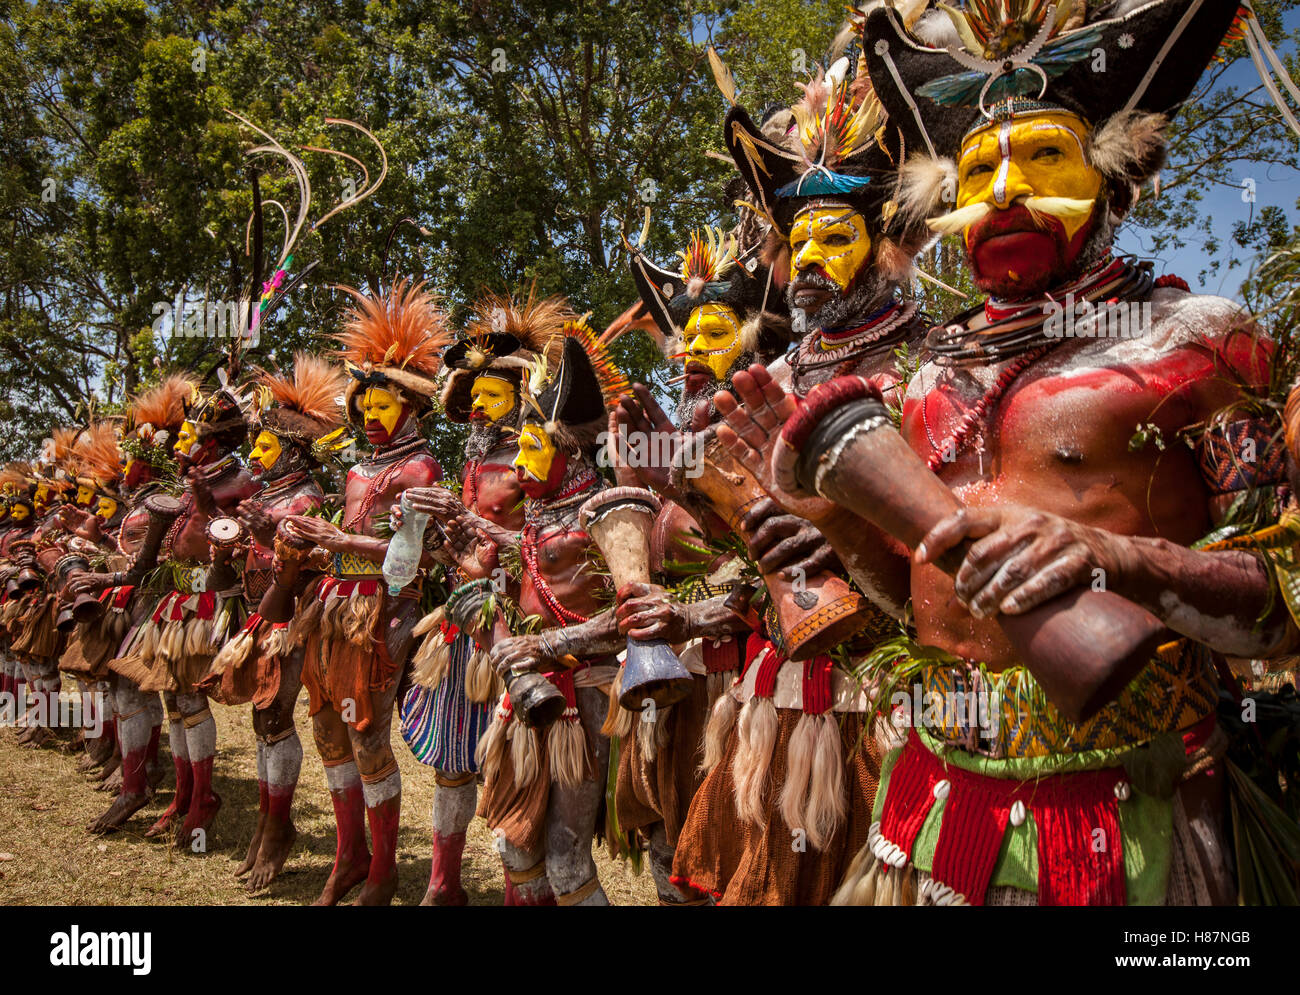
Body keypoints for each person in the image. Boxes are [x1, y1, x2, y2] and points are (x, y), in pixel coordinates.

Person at [720, 0, 1284, 905]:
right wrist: (837, 530)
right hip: (934, 796)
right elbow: (914, 605)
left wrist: (1122, 559)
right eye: (979, 169)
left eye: (1044, 157)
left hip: (1133, 800)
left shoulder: (1196, 342)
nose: (1006, 191)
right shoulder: (929, 372)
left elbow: (1286, 601)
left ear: (1112, 176)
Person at [279, 279, 448, 906]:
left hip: (382, 613)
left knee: (367, 733)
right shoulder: (355, 471)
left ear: (410, 408)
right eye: (366, 405)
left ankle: (384, 869)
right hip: (331, 607)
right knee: (326, 727)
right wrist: (314, 543)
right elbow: (345, 538)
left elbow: (410, 562)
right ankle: (349, 855)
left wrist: (340, 543)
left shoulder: (420, 470)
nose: (372, 416)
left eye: (385, 406)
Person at [199, 354, 347, 888]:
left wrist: (266, 538)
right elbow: (235, 573)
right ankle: (267, 823)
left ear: (293, 450)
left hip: (296, 622)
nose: (255, 455)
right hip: (259, 618)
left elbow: (301, 564)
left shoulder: (306, 498)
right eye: (257, 445)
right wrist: (226, 557)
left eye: (266, 446)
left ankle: (277, 827)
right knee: (262, 722)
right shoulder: (263, 498)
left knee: (277, 718)